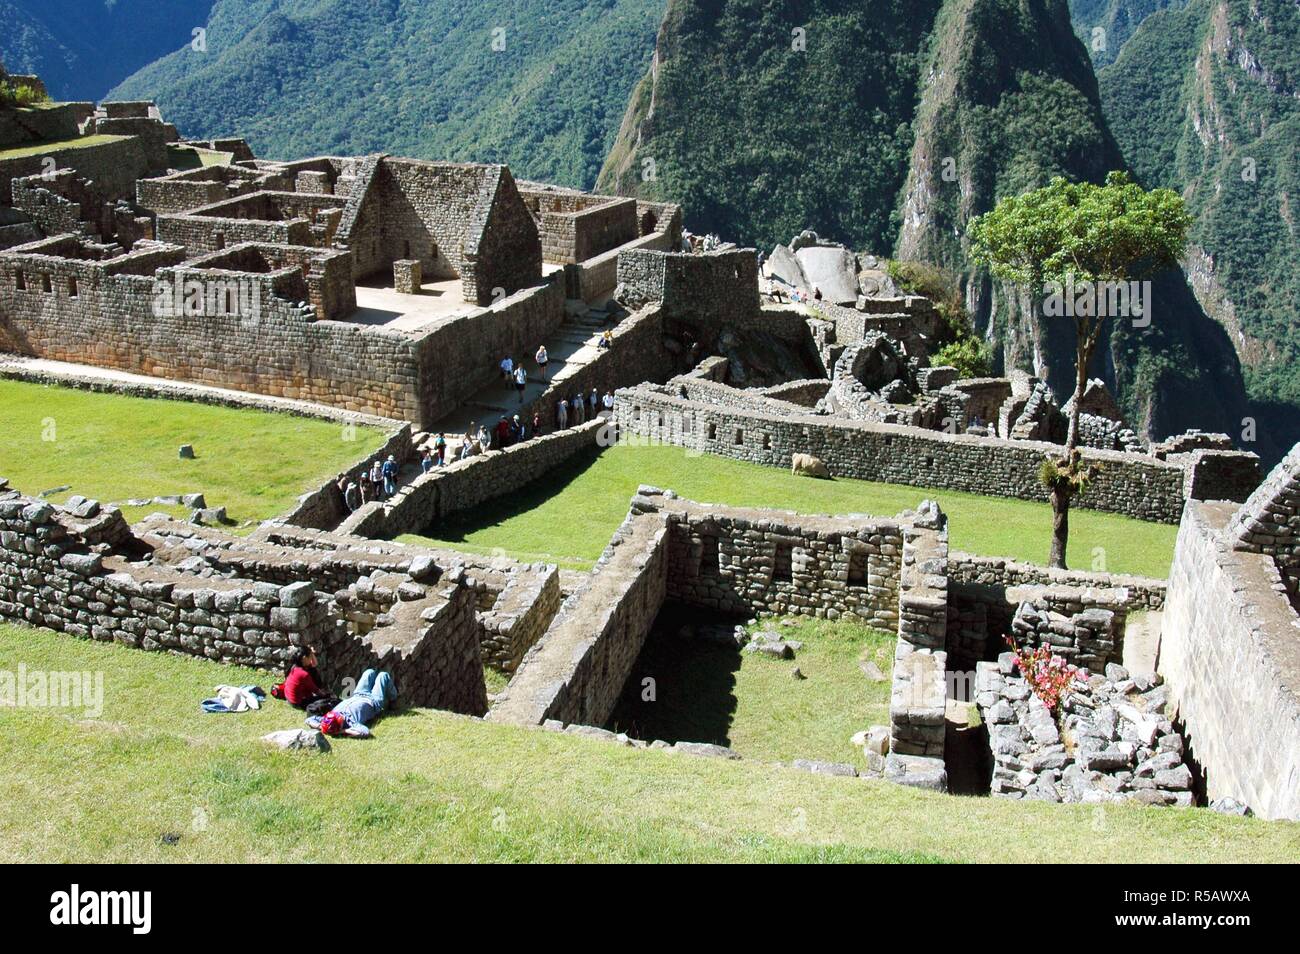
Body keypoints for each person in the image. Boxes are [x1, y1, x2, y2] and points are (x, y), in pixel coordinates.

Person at [311, 668, 396, 737]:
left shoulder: (327, 720)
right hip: (373, 701)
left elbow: (309, 720)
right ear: (340, 724)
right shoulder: (352, 723)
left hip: (358, 694)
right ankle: (394, 701)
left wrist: (322, 727)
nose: (339, 715)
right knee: (383, 675)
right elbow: (365, 732)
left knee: (369, 672)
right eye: (339, 718)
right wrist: (343, 731)